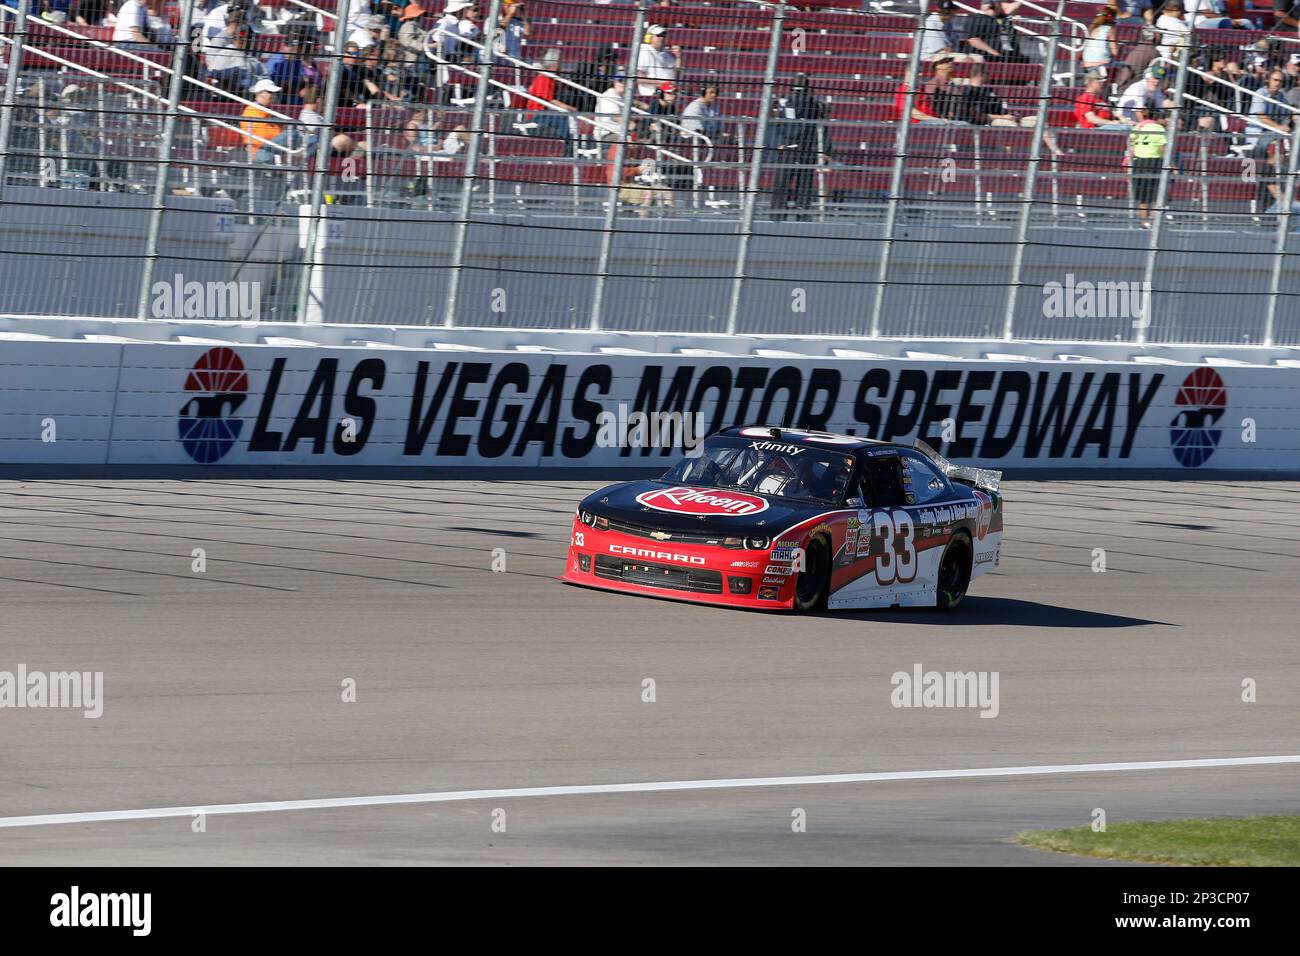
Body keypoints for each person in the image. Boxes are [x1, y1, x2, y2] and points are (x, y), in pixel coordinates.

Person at [769, 73, 827, 221]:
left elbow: (780, 124)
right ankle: (802, 215)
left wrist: (782, 141)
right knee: (804, 184)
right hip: (806, 148)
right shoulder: (814, 104)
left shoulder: (788, 102)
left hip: (790, 147)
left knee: (783, 183)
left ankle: (777, 215)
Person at [524, 49, 576, 154]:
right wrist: (568, 108)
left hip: (544, 113)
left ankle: (568, 146)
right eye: (560, 62)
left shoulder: (551, 78)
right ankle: (567, 149)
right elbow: (550, 100)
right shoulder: (544, 78)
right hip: (537, 115)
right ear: (554, 64)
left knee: (564, 116)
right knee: (563, 118)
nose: (561, 64)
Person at [1128, 105, 1166, 227]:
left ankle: (1144, 221)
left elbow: (1132, 144)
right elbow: (1162, 147)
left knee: (1143, 195)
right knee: (1155, 193)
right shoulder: (1159, 128)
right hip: (1153, 161)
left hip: (1138, 162)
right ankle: (1154, 221)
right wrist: (1171, 164)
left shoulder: (1138, 127)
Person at [921, 0, 995, 62]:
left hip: (946, 55)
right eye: (953, 11)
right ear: (947, 12)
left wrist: (968, 43)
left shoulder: (947, 22)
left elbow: (957, 41)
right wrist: (961, 54)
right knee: (967, 59)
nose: (955, 13)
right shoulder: (931, 22)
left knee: (979, 58)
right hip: (930, 57)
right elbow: (941, 49)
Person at [967, 1, 1028, 65]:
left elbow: (1013, 7)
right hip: (990, 58)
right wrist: (992, 52)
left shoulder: (1002, 18)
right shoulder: (978, 18)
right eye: (999, 4)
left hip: (1010, 57)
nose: (1002, 7)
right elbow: (973, 40)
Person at [636, 23, 677, 98]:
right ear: (649, 37)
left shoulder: (667, 55)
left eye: (663, 36)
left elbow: (677, 74)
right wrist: (660, 83)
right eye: (658, 35)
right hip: (651, 96)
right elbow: (638, 77)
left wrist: (679, 58)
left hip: (669, 94)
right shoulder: (644, 51)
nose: (662, 38)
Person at [1082, 7, 1120, 76]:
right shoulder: (1110, 29)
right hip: (1101, 65)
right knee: (1122, 66)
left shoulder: (1094, 29)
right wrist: (1121, 47)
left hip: (1086, 64)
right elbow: (1115, 52)